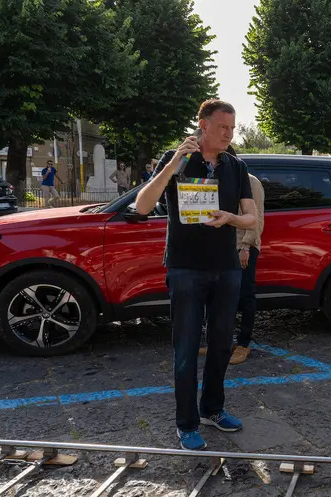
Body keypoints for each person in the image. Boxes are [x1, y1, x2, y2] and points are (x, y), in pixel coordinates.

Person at [136, 99, 257, 451]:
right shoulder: (177, 160)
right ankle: (186, 423)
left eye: (232, 128)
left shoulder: (235, 165)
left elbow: (251, 218)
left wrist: (230, 218)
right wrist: (174, 162)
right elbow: (143, 206)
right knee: (186, 349)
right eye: (222, 127)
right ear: (202, 126)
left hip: (226, 268)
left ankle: (212, 410)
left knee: (221, 345)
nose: (229, 134)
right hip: (186, 267)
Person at [232, 149, 265, 364]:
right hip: (225, 247)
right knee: (226, 297)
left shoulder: (250, 181)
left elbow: (257, 217)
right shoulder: (227, 179)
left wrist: (246, 246)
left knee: (246, 295)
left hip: (243, 247)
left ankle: (244, 344)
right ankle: (226, 341)